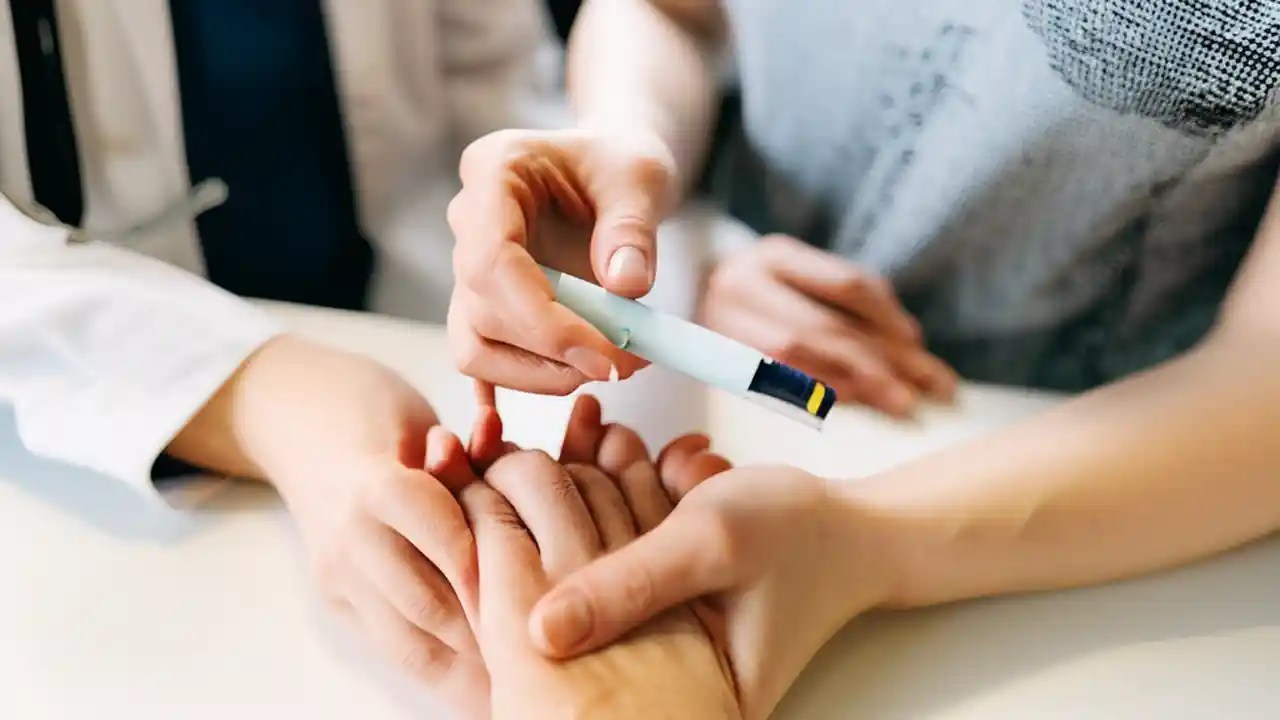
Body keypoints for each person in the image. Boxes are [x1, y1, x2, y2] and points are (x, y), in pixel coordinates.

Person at [446, 1, 1280, 717]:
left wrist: (865, 543)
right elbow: (668, 12)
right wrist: (632, 150)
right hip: (742, 354)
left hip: (1101, 473)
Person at [0, 0, 561, 704]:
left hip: (423, 327)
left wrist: (542, 212)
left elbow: (499, 72)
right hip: (83, 506)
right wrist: (264, 393)